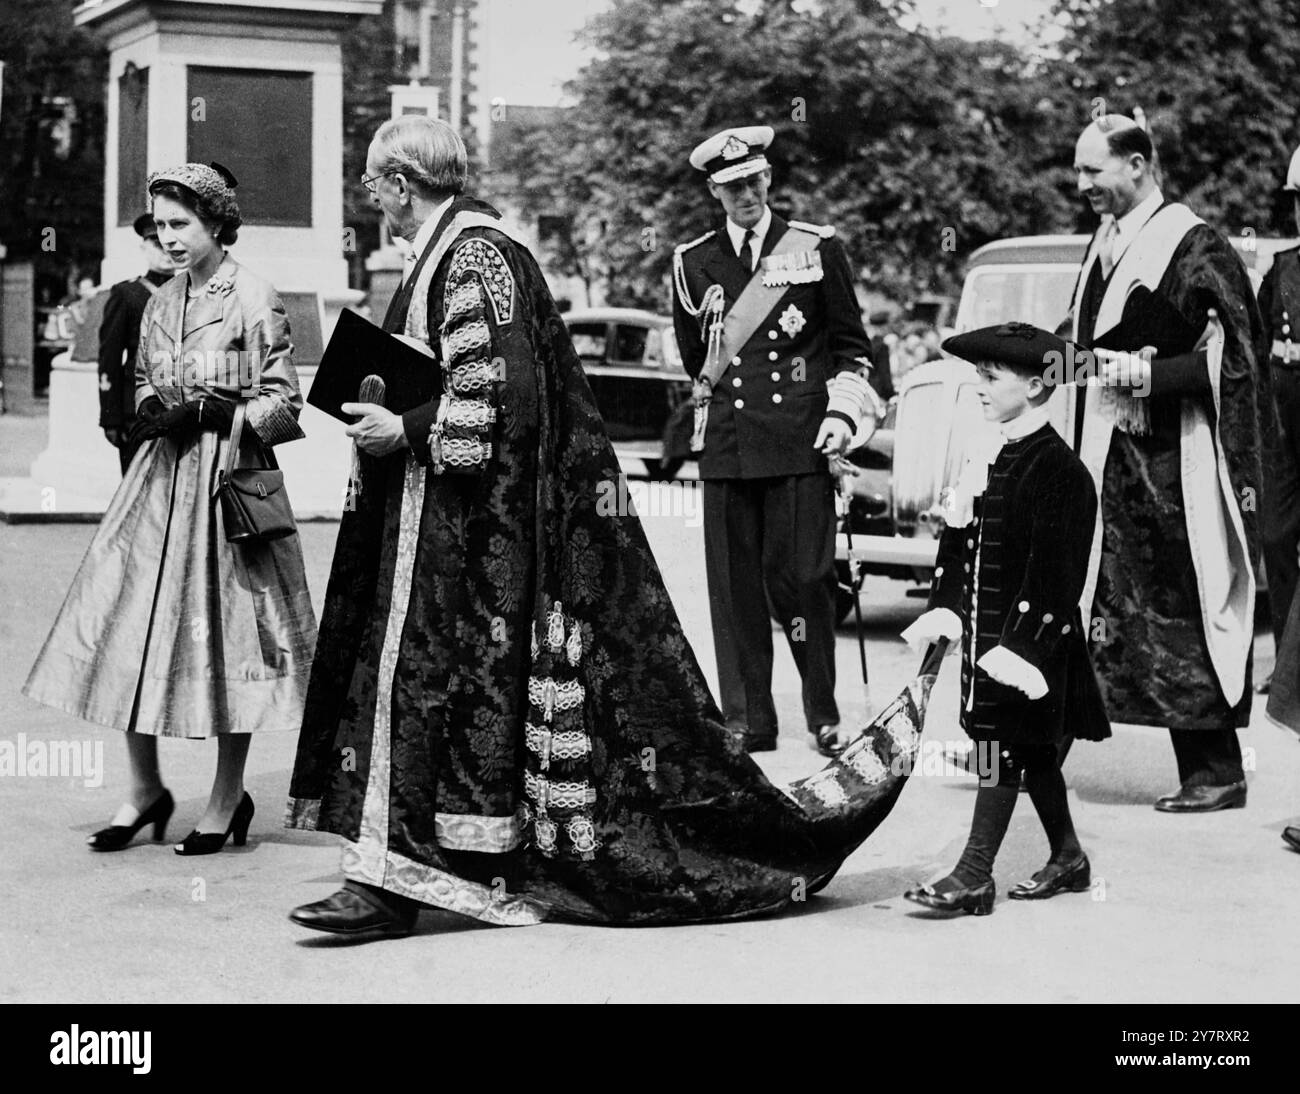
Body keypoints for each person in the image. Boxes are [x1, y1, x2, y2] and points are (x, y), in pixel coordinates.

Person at [285, 116, 927, 941]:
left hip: (485, 530)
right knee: (430, 691)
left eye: (375, 184)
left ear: (403, 183)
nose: (371, 198)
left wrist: (402, 432)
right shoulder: (457, 254)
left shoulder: (476, 257)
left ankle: (403, 878)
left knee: (439, 687)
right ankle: (407, 867)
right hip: (457, 527)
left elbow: (493, 408)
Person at [23, 162, 316, 855]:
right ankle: (146, 790)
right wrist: (156, 408)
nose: (170, 237)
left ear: (217, 222)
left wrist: (219, 412)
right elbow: (149, 381)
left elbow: (286, 403)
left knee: (230, 637)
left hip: (226, 485)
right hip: (158, 485)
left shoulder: (253, 296)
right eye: (160, 226)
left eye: (182, 224)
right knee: (129, 628)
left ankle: (225, 798)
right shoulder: (160, 301)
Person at [1061, 114, 1268, 812]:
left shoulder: (1195, 242)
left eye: (1094, 170)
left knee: (1178, 606)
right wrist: (1035, 361)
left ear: (1139, 164)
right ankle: (1034, 747)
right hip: (1102, 456)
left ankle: (1216, 769)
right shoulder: (1102, 243)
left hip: (1170, 469)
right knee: (1084, 602)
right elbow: (1084, 346)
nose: (1081, 182)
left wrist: (1151, 376)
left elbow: (1238, 356)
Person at [670, 125, 877, 756]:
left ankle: (823, 714)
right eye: (732, 186)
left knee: (805, 583)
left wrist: (841, 417)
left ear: (769, 179)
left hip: (800, 444)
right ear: (715, 191)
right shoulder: (692, 260)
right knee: (733, 590)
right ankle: (748, 720)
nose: (746, 195)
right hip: (730, 446)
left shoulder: (816, 248)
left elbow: (852, 349)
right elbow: (693, 358)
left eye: (755, 181)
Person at [901, 324, 1110, 915]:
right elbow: (957, 544)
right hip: (986, 644)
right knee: (1033, 752)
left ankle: (972, 875)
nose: (978, 387)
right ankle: (1068, 855)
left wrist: (1020, 649)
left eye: (992, 378)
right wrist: (943, 608)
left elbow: (1056, 577)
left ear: (1039, 386)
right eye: (978, 375)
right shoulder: (987, 455)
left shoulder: (1061, 471)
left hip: (1033, 650)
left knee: (1004, 747)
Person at [98, 212, 175, 473]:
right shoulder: (127, 294)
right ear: (144, 246)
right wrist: (111, 418)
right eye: (156, 242)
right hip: (137, 413)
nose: (165, 249)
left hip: (181, 412)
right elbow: (109, 358)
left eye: (170, 241)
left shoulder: (192, 293)